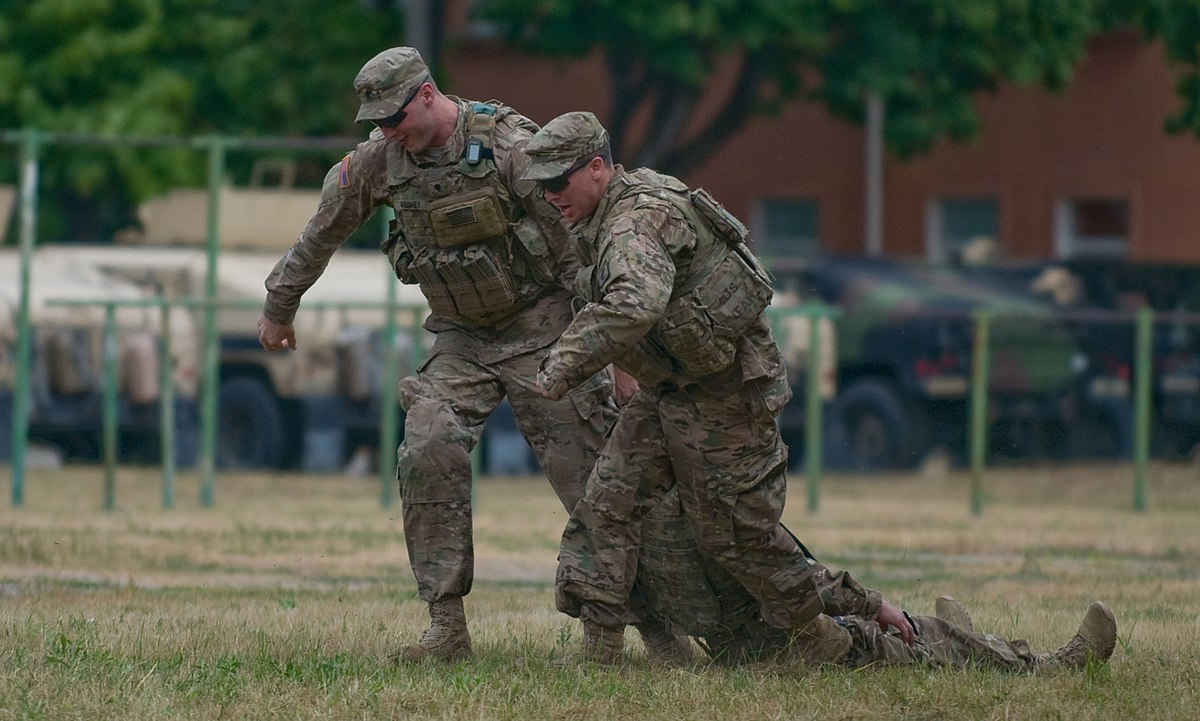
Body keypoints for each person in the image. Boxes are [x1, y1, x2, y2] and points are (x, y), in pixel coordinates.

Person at [519, 111, 1118, 670]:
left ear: (598, 165)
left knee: (745, 545)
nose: (550, 196)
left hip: (722, 396)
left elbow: (634, 301)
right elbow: (615, 299)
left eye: (558, 181)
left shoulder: (634, 218)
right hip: (677, 397)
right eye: (542, 186)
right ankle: (603, 649)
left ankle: (993, 654)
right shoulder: (602, 219)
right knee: (613, 500)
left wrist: (560, 367)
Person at [257, 49, 675, 663]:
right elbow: (323, 229)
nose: (386, 130)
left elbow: (574, 251)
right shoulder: (382, 161)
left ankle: (643, 632)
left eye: (394, 115)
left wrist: (617, 356)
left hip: (545, 328)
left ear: (427, 95)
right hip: (460, 339)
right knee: (426, 446)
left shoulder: (510, 147)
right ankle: (446, 627)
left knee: (593, 479)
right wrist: (279, 304)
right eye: (375, 120)